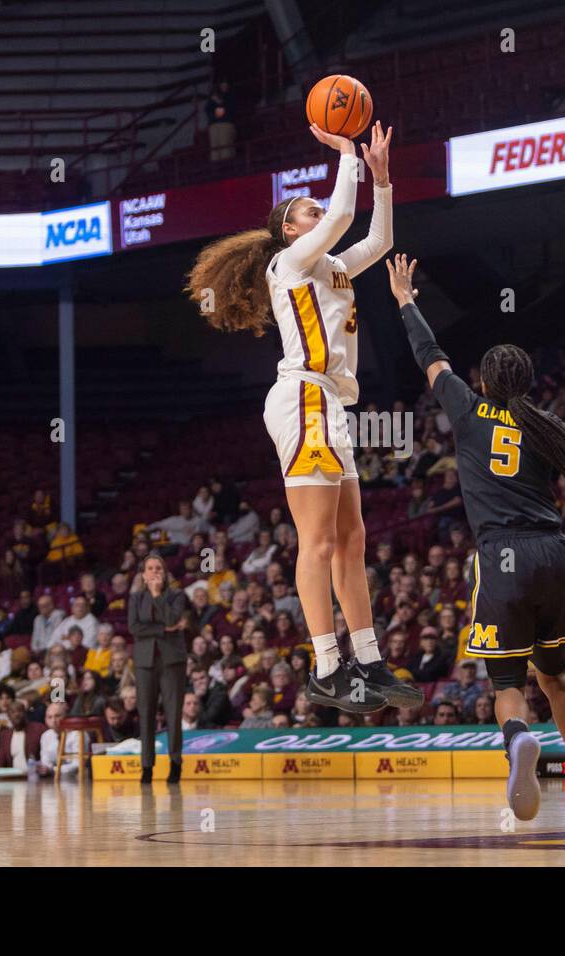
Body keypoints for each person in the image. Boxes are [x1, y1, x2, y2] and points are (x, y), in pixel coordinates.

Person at [386, 253, 565, 829]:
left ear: (487, 382)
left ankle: (518, 737)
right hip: (558, 555)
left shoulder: (467, 409)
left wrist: (405, 299)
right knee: (557, 675)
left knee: (507, 683)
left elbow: (431, 357)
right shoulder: (548, 426)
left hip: (505, 556)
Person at [186, 119, 421, 718]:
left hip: (330, 404)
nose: (322, 214)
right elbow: (344, 217)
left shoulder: (333, 269)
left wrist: (384, 181)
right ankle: (325, 666)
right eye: (309, 211)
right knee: (317, 541)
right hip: (302, 397)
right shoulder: (287, 266)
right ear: (289, 231)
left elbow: (378, 239)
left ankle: (365, 659)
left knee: (352, 539)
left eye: (319, 210)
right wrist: (347, 155)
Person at [129, 554, 189, 783]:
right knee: (146, 714)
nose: (154, 572)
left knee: (173, 713)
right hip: (145, 661)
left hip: (172, 660)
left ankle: (175, 763)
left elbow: (173, 617)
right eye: (150, 568)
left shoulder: (176, 595)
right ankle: (147, 767)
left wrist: (156, 596)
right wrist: (165, 630)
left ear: (165, 573)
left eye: (159, 568)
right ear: (143, 575)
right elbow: (134, 628)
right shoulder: (135, 598)